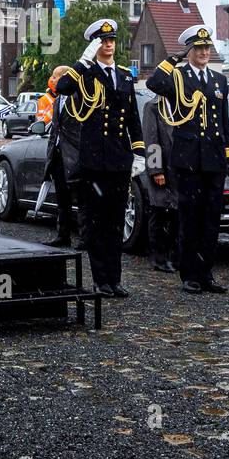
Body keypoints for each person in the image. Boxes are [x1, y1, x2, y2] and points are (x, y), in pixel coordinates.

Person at [54, 18, 145, 298]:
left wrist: (139, 152)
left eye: (111, 40)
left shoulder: (125, 75)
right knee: (96, 222)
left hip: (118, 159)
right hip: (93, 160)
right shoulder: (86, 74)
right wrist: (82, 62)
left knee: (116, 222)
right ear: (94, 44)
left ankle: (115, 279)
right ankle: (100, 279)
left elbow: (132, 119)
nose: (108, 45)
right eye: (102, 41)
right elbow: (62, 88)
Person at [146, 25, 229, 294]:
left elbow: (224, 120)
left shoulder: (219, 80)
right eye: (198, 48)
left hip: (213, 159)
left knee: (211, 219)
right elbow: (153, 83)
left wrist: (227, 152)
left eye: (207, 48)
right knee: (190, 219)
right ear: (190, 51)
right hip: (188, 159)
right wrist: (173, 59)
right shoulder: (178, 77)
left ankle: (207, 273)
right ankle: (190, 275)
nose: (204, 52)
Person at [38, 65, 79, 248]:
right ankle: (63, 235)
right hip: (58, 157)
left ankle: (85, 240)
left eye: (54, 77)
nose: (51, 80)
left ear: (64, 79)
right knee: (62, 199)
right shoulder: (57, 100)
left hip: (74, 156)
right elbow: (55, 129)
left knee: (81, 199)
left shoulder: (78, 99)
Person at [139, 87, 178, 273]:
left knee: (176, 215)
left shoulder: (183, 104)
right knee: (159, 211)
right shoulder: (153, 106)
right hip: (162, 168)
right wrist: (156, 170)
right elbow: (151, 139)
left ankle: (174, 256)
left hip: (180, 168)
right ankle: (158, 258)